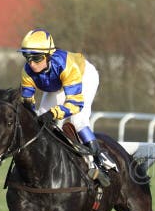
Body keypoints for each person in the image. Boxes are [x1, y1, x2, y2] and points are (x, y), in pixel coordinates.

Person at [18, 28, 117, 187]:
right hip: (57, 83)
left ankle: (99, 161)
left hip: (83, 76)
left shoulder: (67, 66)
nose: (31, 63)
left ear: (48, 55)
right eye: (27, 57)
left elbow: (75, 104)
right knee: (41, 120)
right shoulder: (27, 72)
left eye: (36, 58)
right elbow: (28, 103)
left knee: (78, 121)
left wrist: (54, 113)